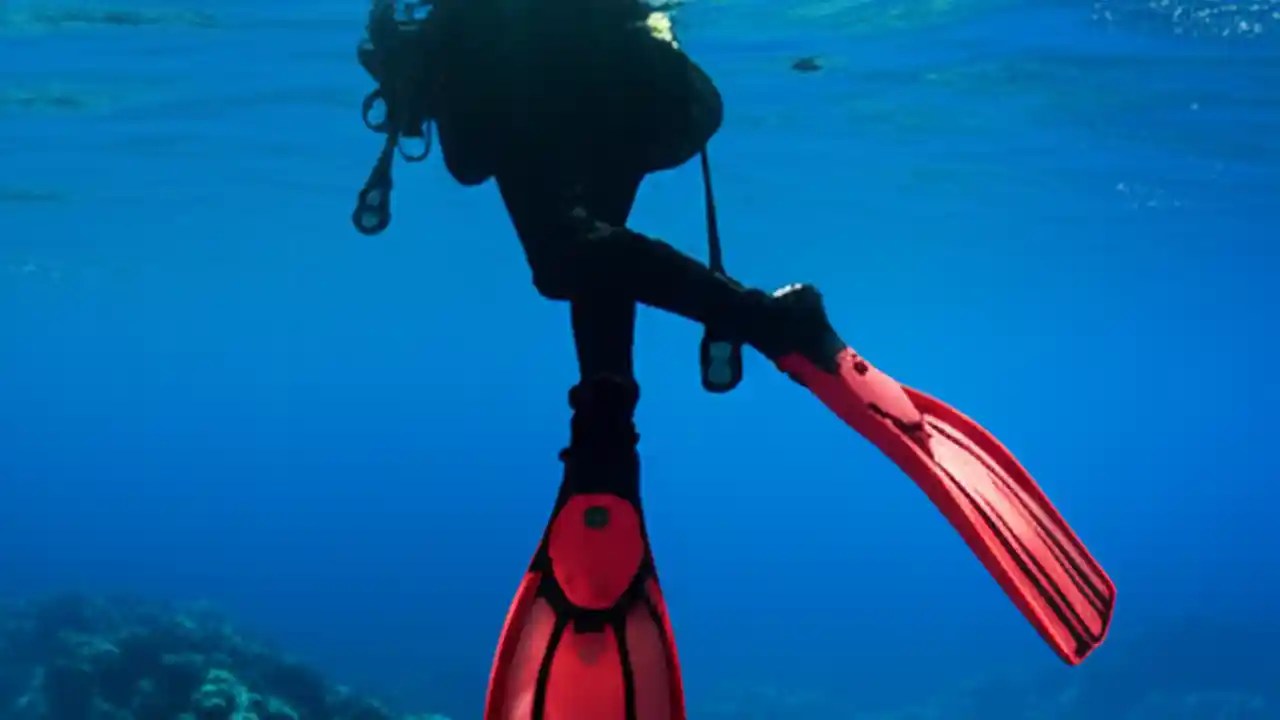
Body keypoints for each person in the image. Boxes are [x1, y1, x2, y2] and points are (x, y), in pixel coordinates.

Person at [351, 2, 1116, 718]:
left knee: (567, 252)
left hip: (572, 62)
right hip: (606, 75)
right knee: (588, 242)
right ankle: (607, 432)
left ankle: (775, 327)